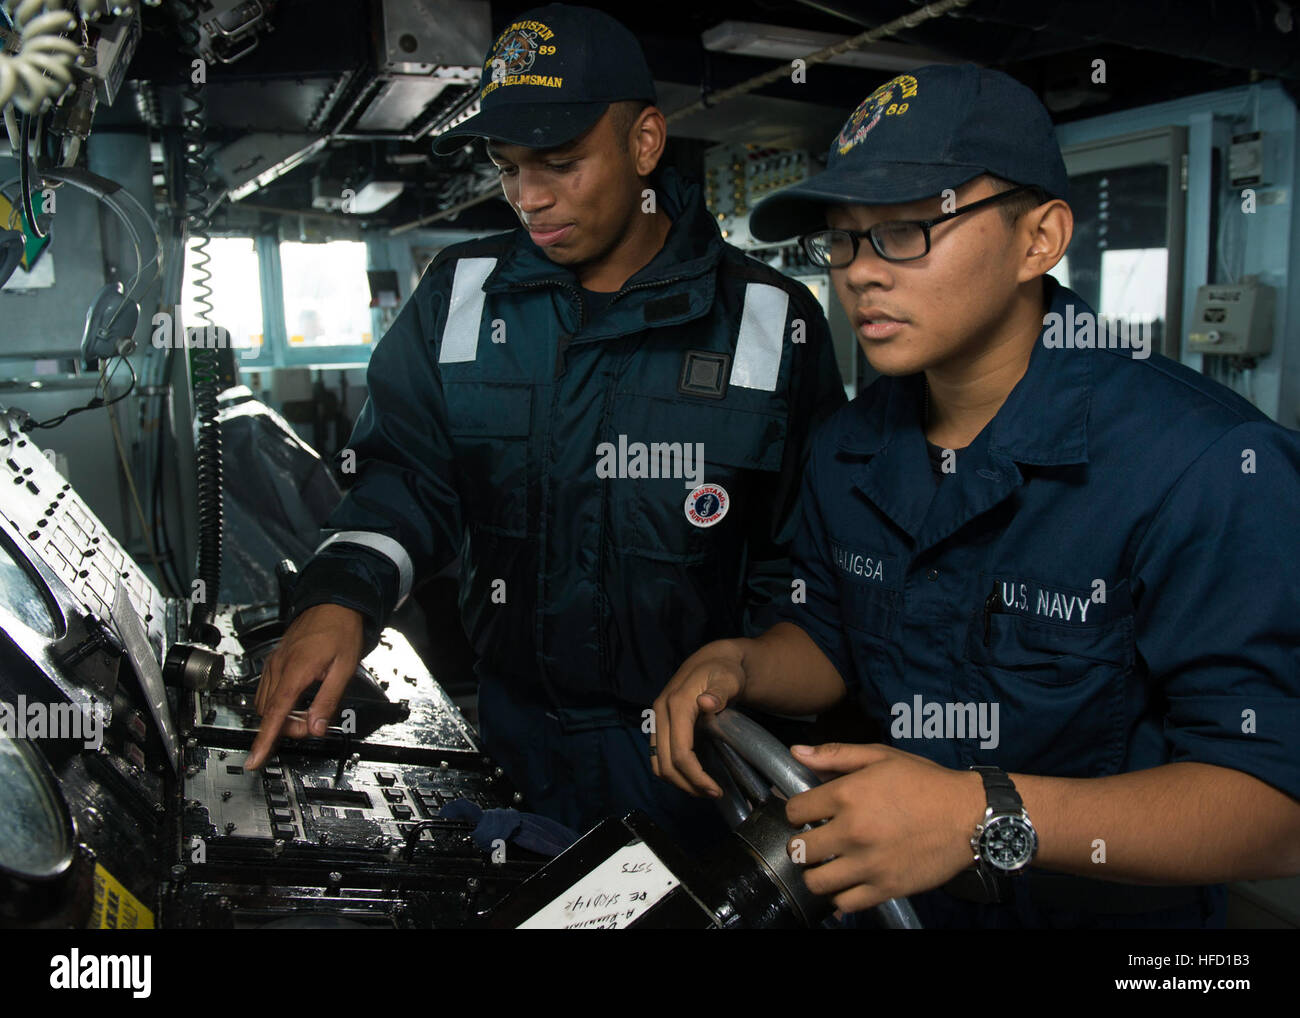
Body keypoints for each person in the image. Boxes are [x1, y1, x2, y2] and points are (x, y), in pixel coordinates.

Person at [652, 63, 1300, 927]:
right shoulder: (853, 442)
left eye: (908, 230)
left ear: (1040, 239)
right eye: (842, 239)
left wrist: (984, 816)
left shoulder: (1208, 467)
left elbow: (1274, 809)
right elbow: (835, 635)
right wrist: (744, 663)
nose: (859, 275)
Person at [244, 3, 846, 853]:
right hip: (513, 734)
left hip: (697, 769)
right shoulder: (460, 295)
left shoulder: (768, 322)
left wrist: (746, 673)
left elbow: (810, 567)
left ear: (644, 142)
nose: (528, 197)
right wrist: (341, 598)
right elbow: (407, 479)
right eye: (508, 166)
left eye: (560, 163)